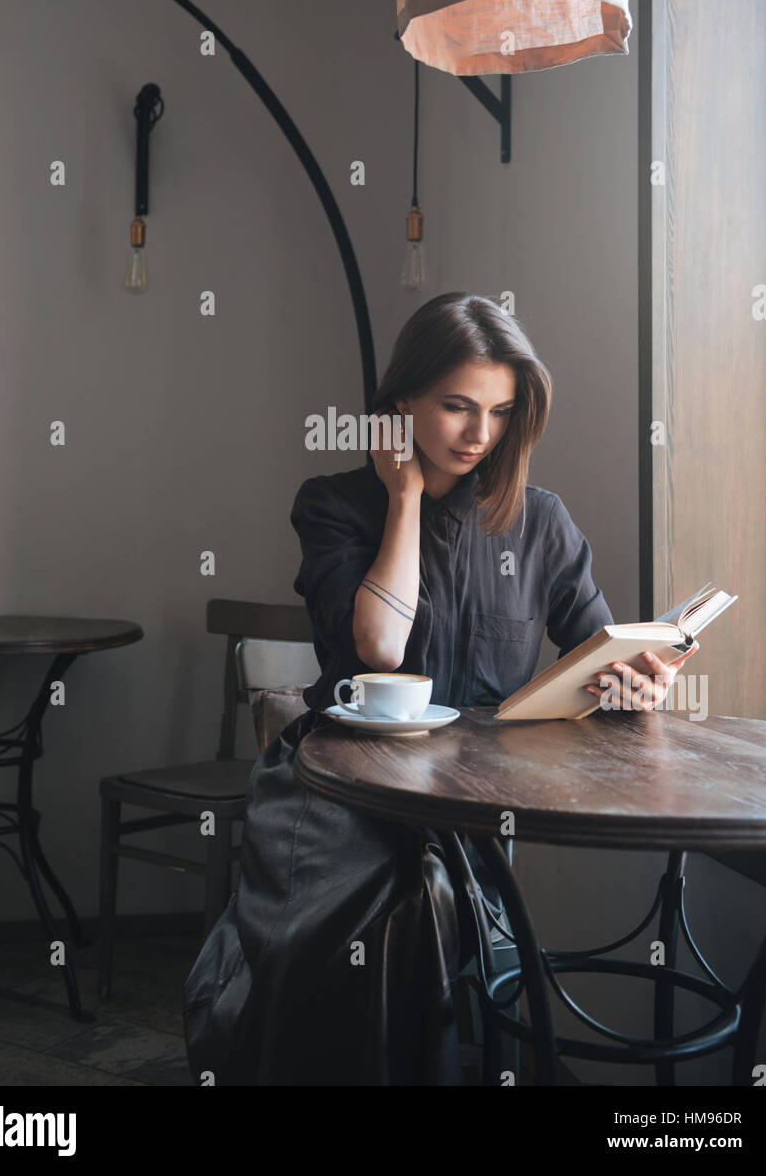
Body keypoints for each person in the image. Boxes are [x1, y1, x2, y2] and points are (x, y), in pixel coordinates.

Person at [183, 292, 697, 1085]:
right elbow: (379, 648)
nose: (479, 434)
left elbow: (595, 657)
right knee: (346, 956)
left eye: (499, 412)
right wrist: (403, 498)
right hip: (339, 787)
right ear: (401, 405)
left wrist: (636, 683)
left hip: (472, 796)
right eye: (457, 406)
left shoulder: (541, 524)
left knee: (444, 928)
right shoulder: (332, 504)